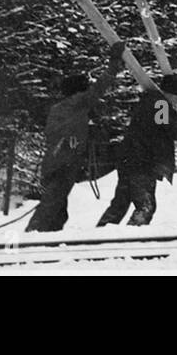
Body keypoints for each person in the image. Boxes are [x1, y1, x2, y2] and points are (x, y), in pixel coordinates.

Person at [26, 41, 126, 232]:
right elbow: (100, 87)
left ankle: (46, 244)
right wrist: (114, 62)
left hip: (52, 162)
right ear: (79, 91)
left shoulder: (58, 108)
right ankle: (31, 238)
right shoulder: (78, 102)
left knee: (58, 211)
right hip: (65, 162)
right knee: (51, 205)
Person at [97, 73, 177, 227]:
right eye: (176, 96)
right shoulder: (160, 104)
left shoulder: (150, 102)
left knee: (119, 205)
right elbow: (171, 131)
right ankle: (131, 240)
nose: (176, 100)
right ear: (170, 93)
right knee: (145, 207)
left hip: (129, 159)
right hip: (142, 163)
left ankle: (98, 239)